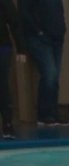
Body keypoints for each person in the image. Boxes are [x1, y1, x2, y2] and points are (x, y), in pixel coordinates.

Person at [20, 0, 67, 126]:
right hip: (39, 38)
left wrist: (62, 29)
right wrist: (38, 31)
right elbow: (24, 12)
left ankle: (53, 112)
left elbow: (59, 10)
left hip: (56, 36)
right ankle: (45, 114)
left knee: (54, 77)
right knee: (50, 74)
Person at [0, 0, 27, 138]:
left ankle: (7, 123)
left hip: (2, 47)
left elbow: (14, 22)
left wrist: (21, 48)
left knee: (2, 86)